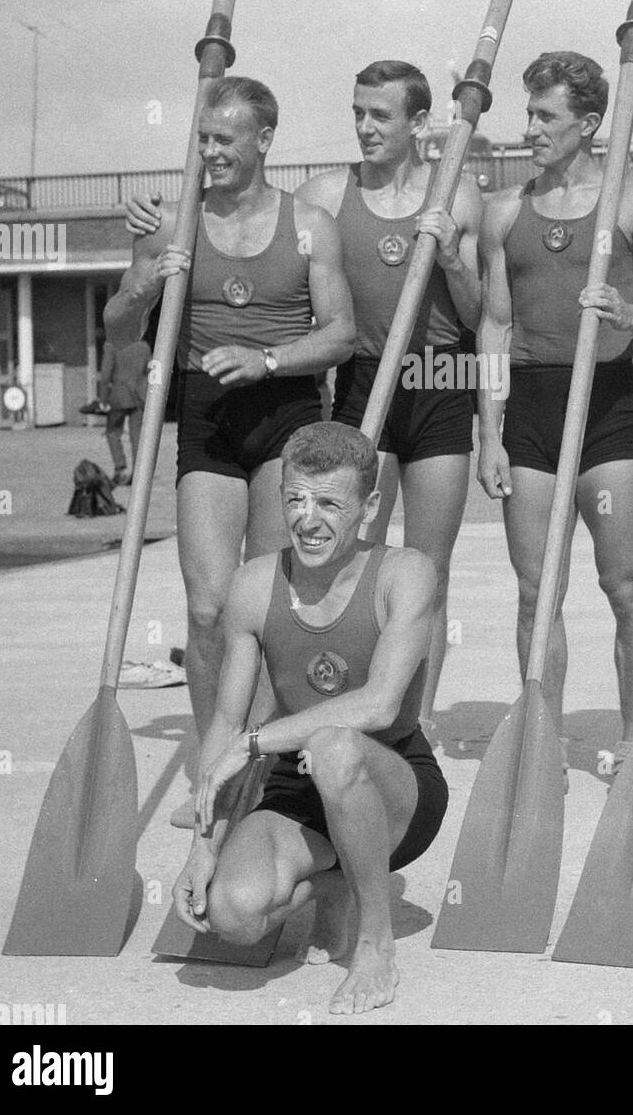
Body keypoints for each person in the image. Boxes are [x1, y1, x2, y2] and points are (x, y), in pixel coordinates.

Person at [105, 77, 355, 825]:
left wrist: (268, 360)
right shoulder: (169, 227)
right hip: (207, 419)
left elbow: (342, 333)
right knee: (211, 606)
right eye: (202, 138)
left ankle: (266, 760)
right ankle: (212, 768)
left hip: (285, 413)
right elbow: (119, 329)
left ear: (264, 141)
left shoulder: (309, 224)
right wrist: (147, 282)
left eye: (224, 139)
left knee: (273, 602)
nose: (209, 152)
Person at [171, 422, 447, 1015]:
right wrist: (202, 847)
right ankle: (337, 884)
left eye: (329, 502)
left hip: (394, 782)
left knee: (334, 746)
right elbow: (225, 723)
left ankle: (375, 943)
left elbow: (379, 705)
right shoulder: (252, 586)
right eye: (295, 499)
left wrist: (256, 743)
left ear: (370, 507)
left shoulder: (407, 574)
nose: (308, 519)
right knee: (233, 914)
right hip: (298, 784)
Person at [477, 51, 633, 780]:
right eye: (527, 114)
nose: (530, 129)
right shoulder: (503, 212)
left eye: (545, 116)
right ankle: (542, 738)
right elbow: (494, 326)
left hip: (609, 404)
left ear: (588, 124)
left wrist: (631, 313)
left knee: (626, 584)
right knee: (536, 589)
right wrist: (488, 429)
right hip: (529, 411)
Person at [295, 61, 483, 726]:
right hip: (362, 380)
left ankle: (418, 721)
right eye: (357, 113)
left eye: (380, 115)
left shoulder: (456, 195)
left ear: (420, 123)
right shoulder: (323, 195)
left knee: (428, 566)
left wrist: (453, 255)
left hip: (440, 378)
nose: (364, 127)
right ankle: (347, 703)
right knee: (350, 556)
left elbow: (478, 313)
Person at [97, 338, 151, 485]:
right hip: (139, 395)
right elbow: (150, 371)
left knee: (112, 431)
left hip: (118, 395)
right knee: (137, 436)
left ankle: (120, 468)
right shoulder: (143, 346)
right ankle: (139, 473)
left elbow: (106, 374)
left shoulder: (111, 345)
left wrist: (102, 399)